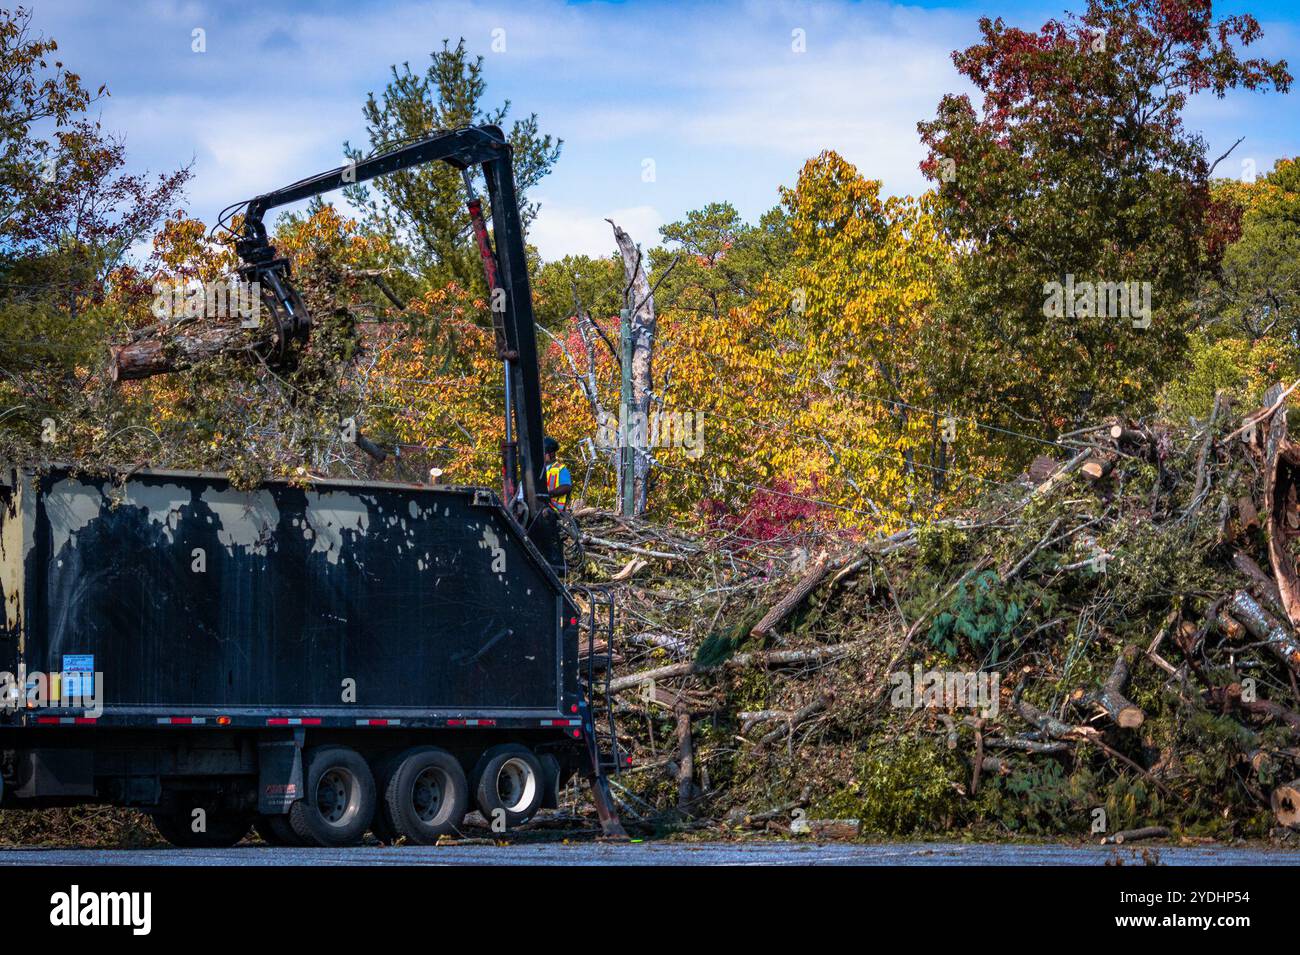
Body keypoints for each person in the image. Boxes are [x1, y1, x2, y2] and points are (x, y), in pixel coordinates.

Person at [543, 436, 571, 510]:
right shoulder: (539, 469)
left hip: (554, 512)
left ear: (551, 453)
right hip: (540, 509)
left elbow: (566, 487)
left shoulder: (561, 469)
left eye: (543, 453)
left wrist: (548, 494)